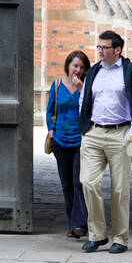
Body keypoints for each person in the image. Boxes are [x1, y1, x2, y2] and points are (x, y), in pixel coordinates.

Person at [77, 30, 132, 255]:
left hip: (120, 134)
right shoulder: (92, 73)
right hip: (93, 133)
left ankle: (120, 238)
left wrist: (131, 134)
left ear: (117, 50)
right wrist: (85, 130)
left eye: (105, 47)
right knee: (88, 182)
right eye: (98, 47)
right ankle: (97, 235)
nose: (100, 51)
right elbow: (83, 100)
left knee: (119, 189)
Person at [46, 49, 90, 239]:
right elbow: (49, 111)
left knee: (79, 182)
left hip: (80, 139)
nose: (78, 70)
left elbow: (91, 109)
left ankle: (80, 224)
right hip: (60, 140)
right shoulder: (57, 85)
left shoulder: (87, 86)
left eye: (81, 67)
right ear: (68, 65)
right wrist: (51, 129)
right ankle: (72, 224)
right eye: (75, 66)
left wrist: (81, 89)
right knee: (66, 185)